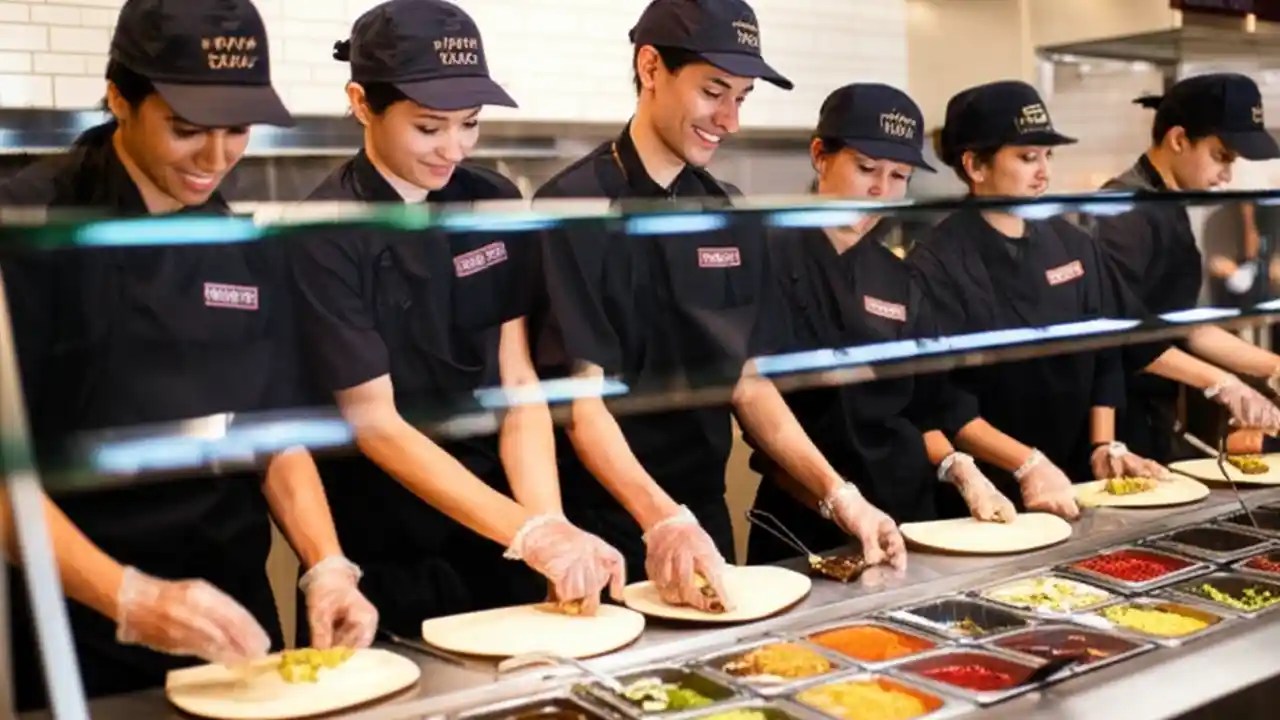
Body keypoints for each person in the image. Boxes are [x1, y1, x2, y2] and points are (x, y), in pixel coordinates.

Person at [0, 0, 376, 710]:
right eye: (186, 130)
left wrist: (327, 564)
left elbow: (270, 430)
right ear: (119, 98)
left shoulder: (233, 237)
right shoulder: (29, 227)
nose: (215, 159)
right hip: (87, 623)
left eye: (237, 131)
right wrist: (132, 599)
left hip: (235, 621)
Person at [534, 0, 906, 611]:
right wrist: (661, 521)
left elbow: (748, 384)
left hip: (703, 517)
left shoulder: (727, 212)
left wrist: (840, 496)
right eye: (714, 92)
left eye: (743, 97)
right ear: (651, 68)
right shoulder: (573, 205)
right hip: (601, 531)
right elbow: (581, 407)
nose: (729, 119)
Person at [289, 0, 625, 637]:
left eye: (469, 124)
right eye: (428, 127)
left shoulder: (492, 199)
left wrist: (547, 527)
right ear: (362, 103)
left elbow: (518, 385)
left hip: (501, 532)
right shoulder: (324, 231)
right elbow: (377, 425)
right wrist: (529, 532)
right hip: (391, 548)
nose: (453, 148)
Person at [746, 83, 1130, 562]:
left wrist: (958, 467)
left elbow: (927, 407)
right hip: (809, 521)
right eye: (866, 169)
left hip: (907, 517)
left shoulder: (894, 276)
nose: (880, 191)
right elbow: (754, 400)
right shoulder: (764, 258)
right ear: (820, 156)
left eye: (899, 175)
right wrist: (839, 499)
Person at [908, 81, 1173, 494]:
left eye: (1048, 156)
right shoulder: (937, 262)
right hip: (988, 486)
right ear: (976, 166)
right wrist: (1026, 463)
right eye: (1028, 157)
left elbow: (1103, 349)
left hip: (1076, 474)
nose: (1044, 172)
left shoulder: (1073, 243)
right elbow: (945, 402)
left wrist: (1105, 444)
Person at [1096, 73, 1280, 460]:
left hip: (1154, 415)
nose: (1227, 176)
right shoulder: (1123, 212)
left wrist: (1273, 367)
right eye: (1221, 157)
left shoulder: (1171, 206)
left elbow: (1186, 326)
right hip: (1114, 423)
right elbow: (1126, 338)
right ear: (1178, 140)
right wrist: (1222, 383)